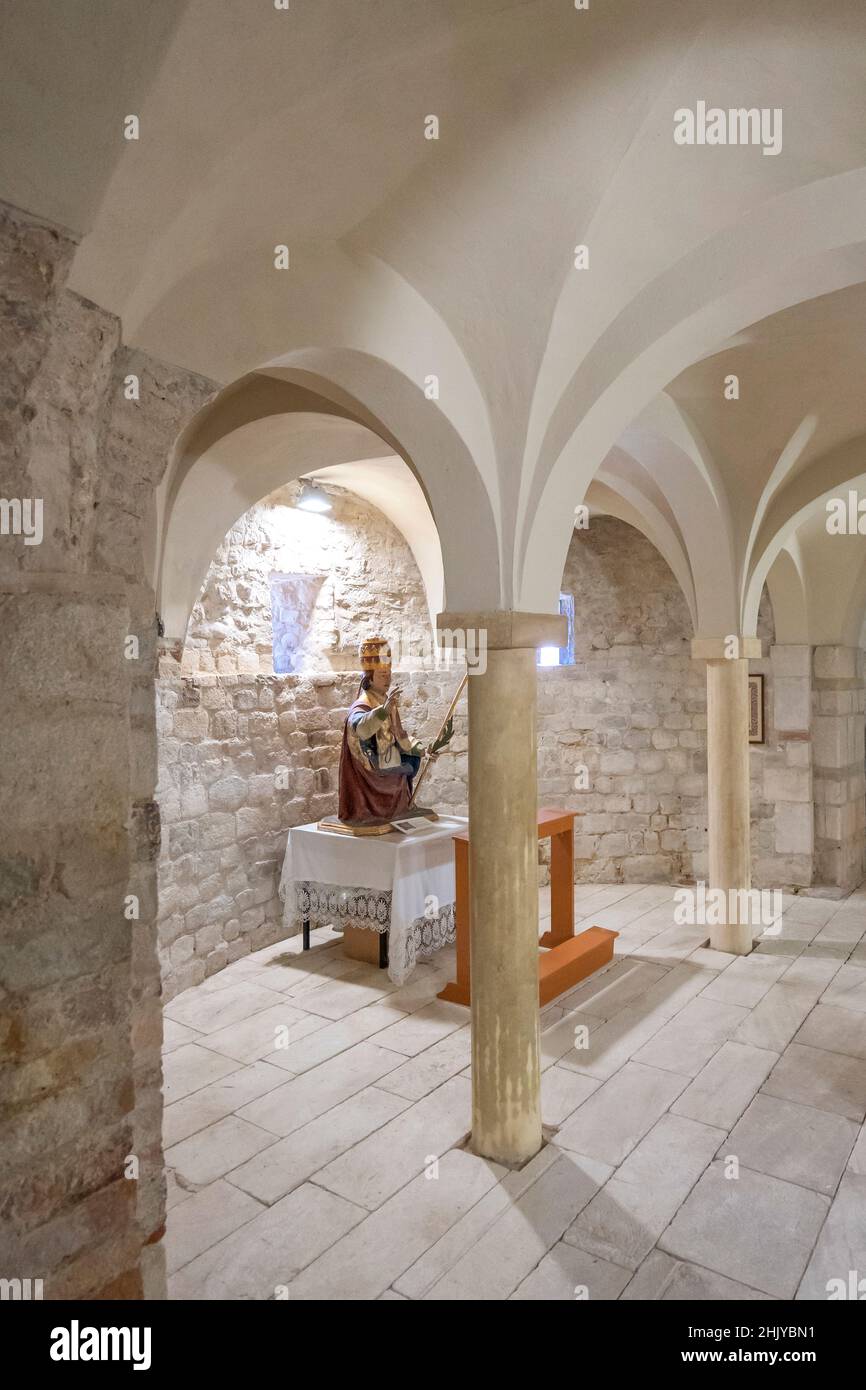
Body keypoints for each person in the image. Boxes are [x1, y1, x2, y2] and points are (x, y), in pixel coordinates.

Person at [337, 636, 424, 824]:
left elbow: (399, 736)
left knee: (407, 763)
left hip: (387, 760)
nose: (388, 678)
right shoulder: (363, 704)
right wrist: (383, 711)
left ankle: (401, 810)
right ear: (370, 677)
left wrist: (422, 748)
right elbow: (360, 728)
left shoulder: (387, 702)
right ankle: (382, 812)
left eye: (389, 673)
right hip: (370, 769)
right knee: (399, 770)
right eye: (382, 674)